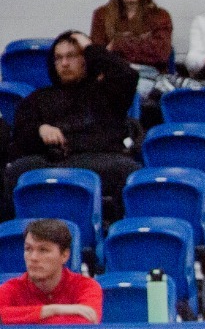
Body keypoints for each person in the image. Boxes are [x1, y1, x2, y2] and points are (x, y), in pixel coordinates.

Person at [3, 33, 139, 222]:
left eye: (72, 56)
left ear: (86, 58)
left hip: (98, 159)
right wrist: (40, 130)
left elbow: (127, 75)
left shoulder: (107, 93)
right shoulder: (37, 99)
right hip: (50, 161)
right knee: (14, 171)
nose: (64, 63)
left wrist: (89, 46)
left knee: (127, 170)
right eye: (59, 58)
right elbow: (20, 136)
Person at [89, 0, 174, 101]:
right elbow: (98, 55)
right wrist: (141, 45)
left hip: (149, 76)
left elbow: (160, 53)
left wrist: (118, 45)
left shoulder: (160, 16)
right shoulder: (102, 15)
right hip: (114, 75)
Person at [0, 220, 101, 324]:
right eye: (28, 249)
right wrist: (52, 310)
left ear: (64, 255)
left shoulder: (86, 286)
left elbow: (86, 320)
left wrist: (19, 319)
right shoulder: (11, 289)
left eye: (43, 250)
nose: (33, 257)